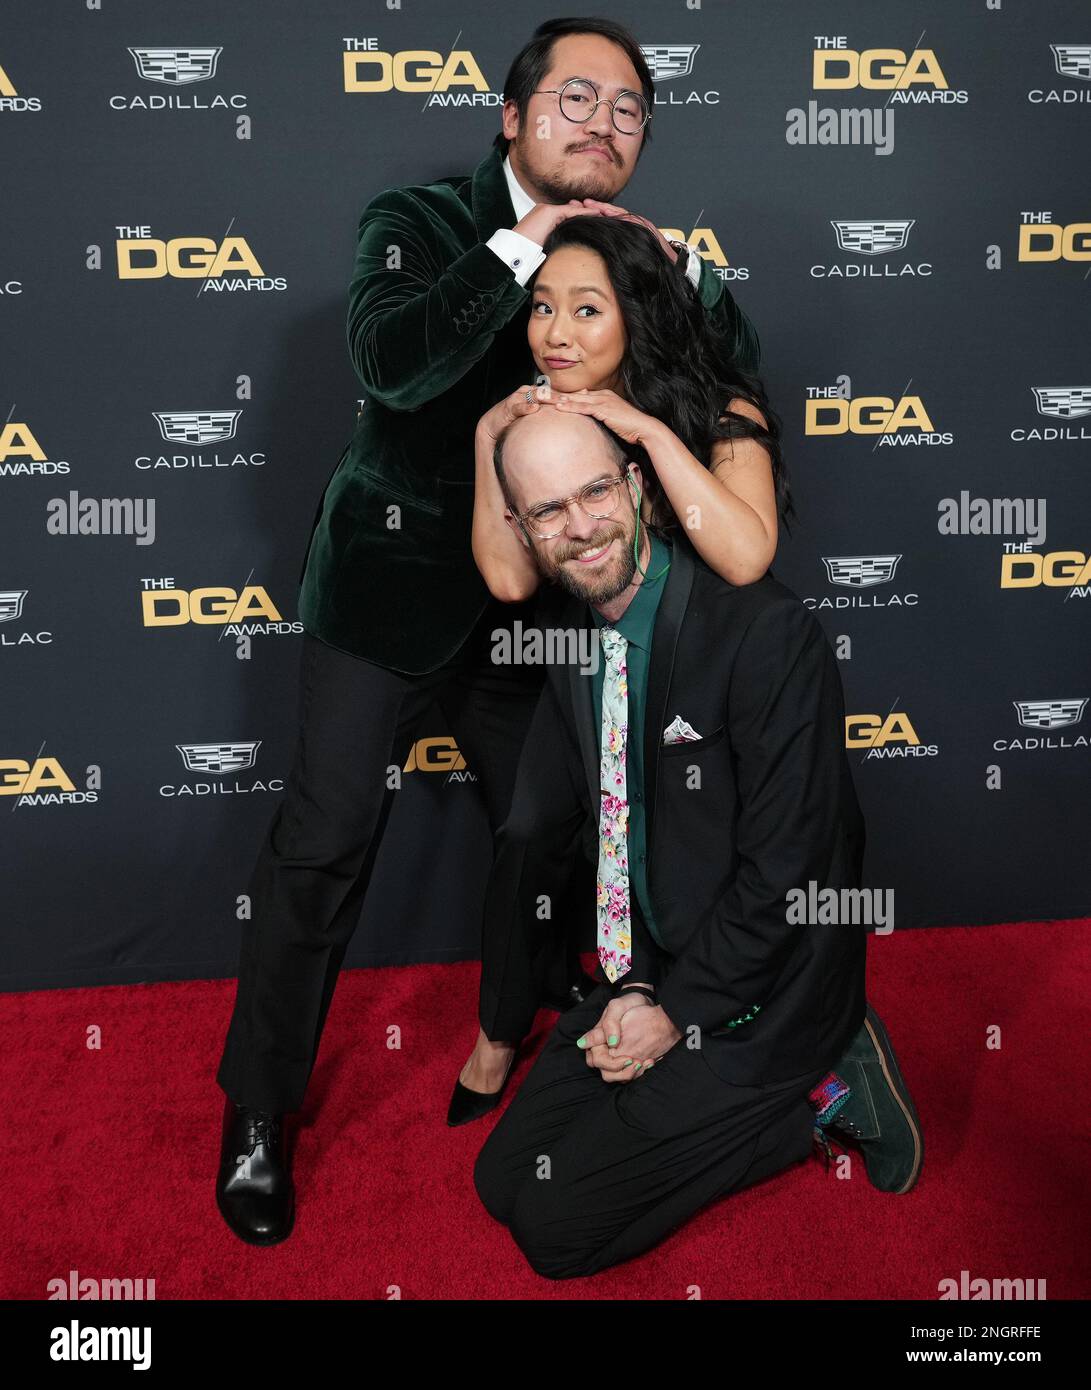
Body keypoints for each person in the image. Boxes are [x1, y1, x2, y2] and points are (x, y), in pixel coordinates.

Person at [214, 16, 765, 1245]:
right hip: (390, 593)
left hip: (536, 606)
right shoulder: (414, 218)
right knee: (324, 845)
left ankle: (536, 1034)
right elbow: (396, 366)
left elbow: (731, 378)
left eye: (629, 111)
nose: (603, 124)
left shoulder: (632, 255)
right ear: (511, 117)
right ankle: (257, 1108)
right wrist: (517, 248)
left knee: (558, 831)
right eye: (576, 97)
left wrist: (698, 294)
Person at [472, 403, 924, 1278]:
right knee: (502, 1181)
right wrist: (633, 983)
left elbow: (791, 876)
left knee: (555, 1234)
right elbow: (608, 837)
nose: (582, 527)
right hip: (654, 964)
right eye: (548, 511)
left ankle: (821, 1095)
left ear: (636, 484)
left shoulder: (762, 632)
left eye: (596, 491)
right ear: (523, 529)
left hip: (759, 991)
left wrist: (671, 1015)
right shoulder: (572, 631)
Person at [456, 211, 787, 1114]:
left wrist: (641, 430)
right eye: (541, 308)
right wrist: (490, 443)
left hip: (706, 680)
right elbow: (509, 576)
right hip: (588, 668)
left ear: (638, 315)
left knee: (690, 845)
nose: (556, 333)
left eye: (587, 310)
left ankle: (696, 1010)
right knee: (527, 830)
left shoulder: (723, 411)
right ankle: (499, 1026)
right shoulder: (538, 410)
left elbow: (745, 554)